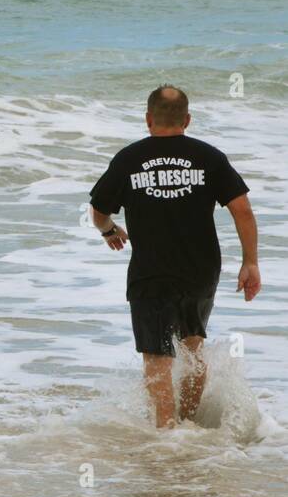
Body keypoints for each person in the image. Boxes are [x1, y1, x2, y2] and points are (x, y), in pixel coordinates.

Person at [89, 84, 261, 429]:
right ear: (188, 119)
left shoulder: (128, 159)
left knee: (156, 356)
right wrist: (250, 261)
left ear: (148, 119)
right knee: (193, 345)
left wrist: (110, 231)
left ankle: (166, 432)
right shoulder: (209, 157)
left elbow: (98, 209)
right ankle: (190, 425)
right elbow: (241, 210)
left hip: (151, 271)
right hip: (201, 269)